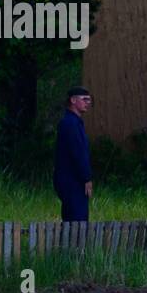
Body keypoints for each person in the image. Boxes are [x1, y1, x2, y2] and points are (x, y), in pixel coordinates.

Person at [53, 86, 93, 222]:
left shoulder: (74, 123)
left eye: (89, 100)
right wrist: (86, 177)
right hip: (72, 179)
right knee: (77, 218)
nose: (88, 102)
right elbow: (78, 153)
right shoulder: (70, 124)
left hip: (71, 178)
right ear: (73, 100)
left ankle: (71, 243)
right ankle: (75, 244)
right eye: (84, 99)